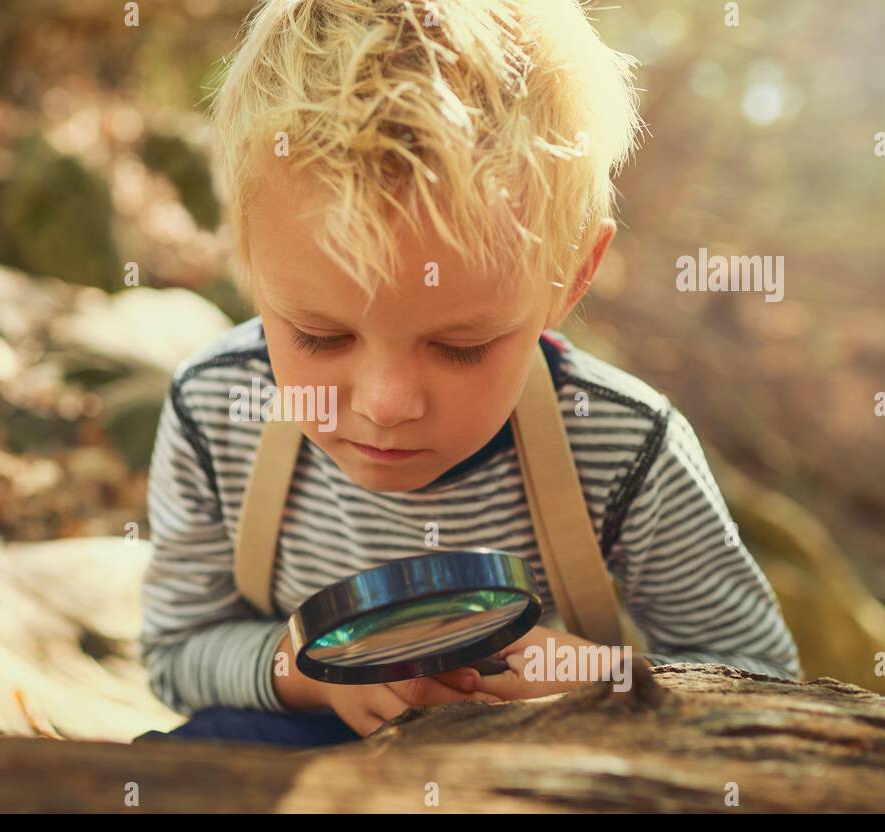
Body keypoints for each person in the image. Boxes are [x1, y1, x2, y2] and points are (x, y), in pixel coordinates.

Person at [135, 0, 800, 748]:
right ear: (249, 261)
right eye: (321, 336)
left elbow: (765, 682)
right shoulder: (218, 407)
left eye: (460, 346)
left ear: (571, 277)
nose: (386, 405)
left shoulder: (623, 448)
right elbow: (175, 651)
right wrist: (306, 671)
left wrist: (605, 680)